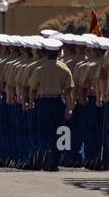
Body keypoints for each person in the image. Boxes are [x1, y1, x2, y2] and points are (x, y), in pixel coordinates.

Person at [27, 37, 74, 171]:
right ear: (59, 52)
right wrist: (70, 108)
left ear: (46, 53)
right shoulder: (65, 69)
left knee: (43, 131)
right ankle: (55, 161)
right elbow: (68, 91)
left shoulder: (39, 69)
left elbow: (33, 89)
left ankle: (46, 151)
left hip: (44, 101)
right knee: (59, 131)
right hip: (58, 101)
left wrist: (31, 103)